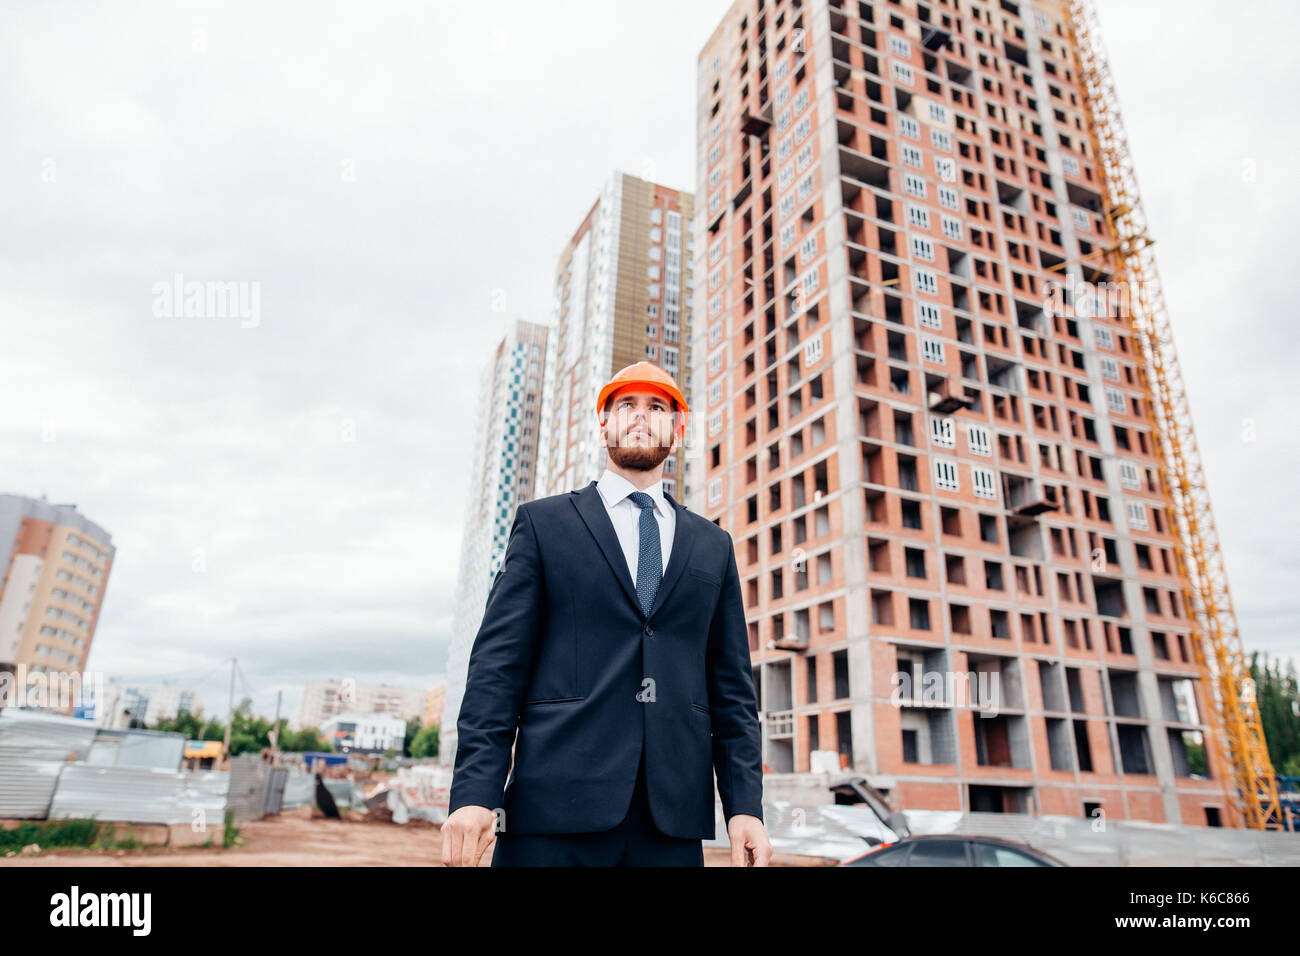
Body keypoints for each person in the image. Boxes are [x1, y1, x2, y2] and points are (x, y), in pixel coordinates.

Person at [442, 362, 771, 867]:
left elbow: (733, 692)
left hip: (671, 828)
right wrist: (473, 793)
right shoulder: (544, 524)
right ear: (604, 426)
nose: (641, 417)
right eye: (626, 406)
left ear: (678, 430)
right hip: (552, 818)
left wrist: (745, 807)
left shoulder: (713, 546)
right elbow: (496, 672)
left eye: (657, 407)